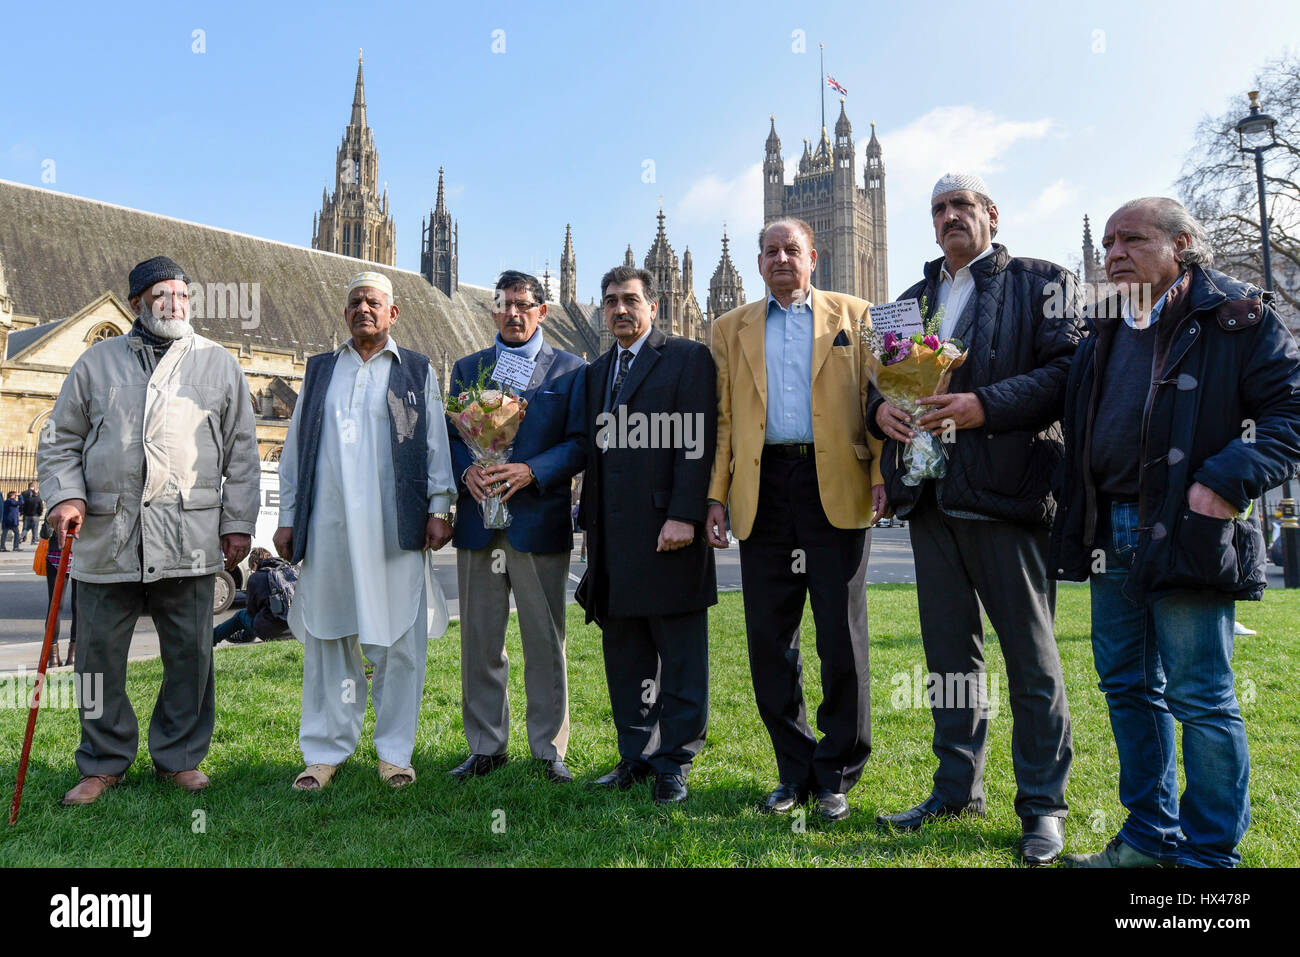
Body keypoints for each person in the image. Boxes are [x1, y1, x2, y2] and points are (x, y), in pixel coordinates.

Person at [1052, 198, 1300, 868]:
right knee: (1129, 687)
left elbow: (1291, 411)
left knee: (1200, 696)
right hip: (1110, 526)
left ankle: (1210, 855)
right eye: (1106, 243)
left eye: (1131, 239)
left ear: (1181, 244)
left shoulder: (1238, 315)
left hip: (1187, 525)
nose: (1114, 254)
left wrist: (1226, 479)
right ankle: (1148, 837)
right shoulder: (1102, 325)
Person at [869, 174, 1081, 864]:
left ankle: (1043, 806)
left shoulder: (1041, 281)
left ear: (992, 214)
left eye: (963, 205)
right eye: (939, 209)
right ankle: (956, 788)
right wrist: (880, 413)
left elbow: (1068, 372)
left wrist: (983, 404)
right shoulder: (906, 303)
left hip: (1008, 494)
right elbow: (871, 386)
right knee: (949, 661)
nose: (950, 217)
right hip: (930, 499)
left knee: (1030, 659)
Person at [39, 255, 258, 806]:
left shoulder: (218, 363)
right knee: (97, 659)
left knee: (190, 655)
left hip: (188, 536)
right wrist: (65, 494)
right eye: (163, 296)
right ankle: (103, 762)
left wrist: (237, 524)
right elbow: (59, 440)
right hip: (108, 535)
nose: (175, 305)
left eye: (184, 296)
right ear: (137, 303)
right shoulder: (96, 363)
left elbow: (243, 454)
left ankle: (179, 758)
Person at [704, 218, 885, 824]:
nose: (781, 259)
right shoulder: (730, 329)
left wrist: (883, 475)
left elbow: (881, 401)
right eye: (771, 251)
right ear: (758, 263)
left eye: (792, 250)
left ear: (815, 256)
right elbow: (725, 422)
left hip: (833, 482)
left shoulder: (858, 315)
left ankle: (836, 772)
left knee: (841, 636)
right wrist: (715, 496)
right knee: (768, 639)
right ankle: (794, 767)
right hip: (764, 488)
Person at [274, 271, 455, 791]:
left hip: (393, 526)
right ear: (345, 313)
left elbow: (435, 445)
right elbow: (295, 454)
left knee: (399, 642)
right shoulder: (320, 371)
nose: (363, 309)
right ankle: (324, 753)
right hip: (330, 525)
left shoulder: (415, 370)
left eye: (373, 302)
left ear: (393, 313)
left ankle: (395, 753)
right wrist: (289, 516)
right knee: (330, 637)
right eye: (354, 302)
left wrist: (440, 506)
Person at [576, 265, 716, 804]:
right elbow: (592, 454)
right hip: (612, 537)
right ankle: (635, 753)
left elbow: (697, 441)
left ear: (653, 306)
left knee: (679, 655)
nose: (620, 309)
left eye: (630, 300)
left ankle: (674, 761)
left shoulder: (685, 357)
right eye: (610, 300)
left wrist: (685, 514)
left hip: (669, 530)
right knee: (626, 654)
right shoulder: (595, 373)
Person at [446, 270, 586, 784]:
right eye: (502, 305)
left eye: (522, 305)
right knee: (481, 640)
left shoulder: (571, 370)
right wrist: (467, 470)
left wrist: (532, 470)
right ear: (493, 311)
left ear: (542, 311)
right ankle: (486, 746)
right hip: (480, 523)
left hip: (537, 519)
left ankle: (549, 750)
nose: (512, 313)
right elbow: (452, 435)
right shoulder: (468, 368)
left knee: (545, 641)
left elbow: (578, 443)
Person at [213, 547, 294, 645]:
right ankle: (243, 637)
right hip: (295, 630)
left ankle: (212, 637)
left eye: (252, 568)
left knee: (241, 616)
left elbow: (251, 612)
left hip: (272, 633)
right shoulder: (291, 571)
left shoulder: (256, 578)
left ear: (255, 564)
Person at [19, 481, 44, 545]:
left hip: (27, 515)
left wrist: (23, 512)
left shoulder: (26, 497)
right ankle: (34, 540)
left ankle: (22, 536)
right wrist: (40, 514)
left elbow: (23, 505)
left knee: (26, 527)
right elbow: (41, 507)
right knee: (35, 528)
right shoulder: (38, 499)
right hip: (35, 515)